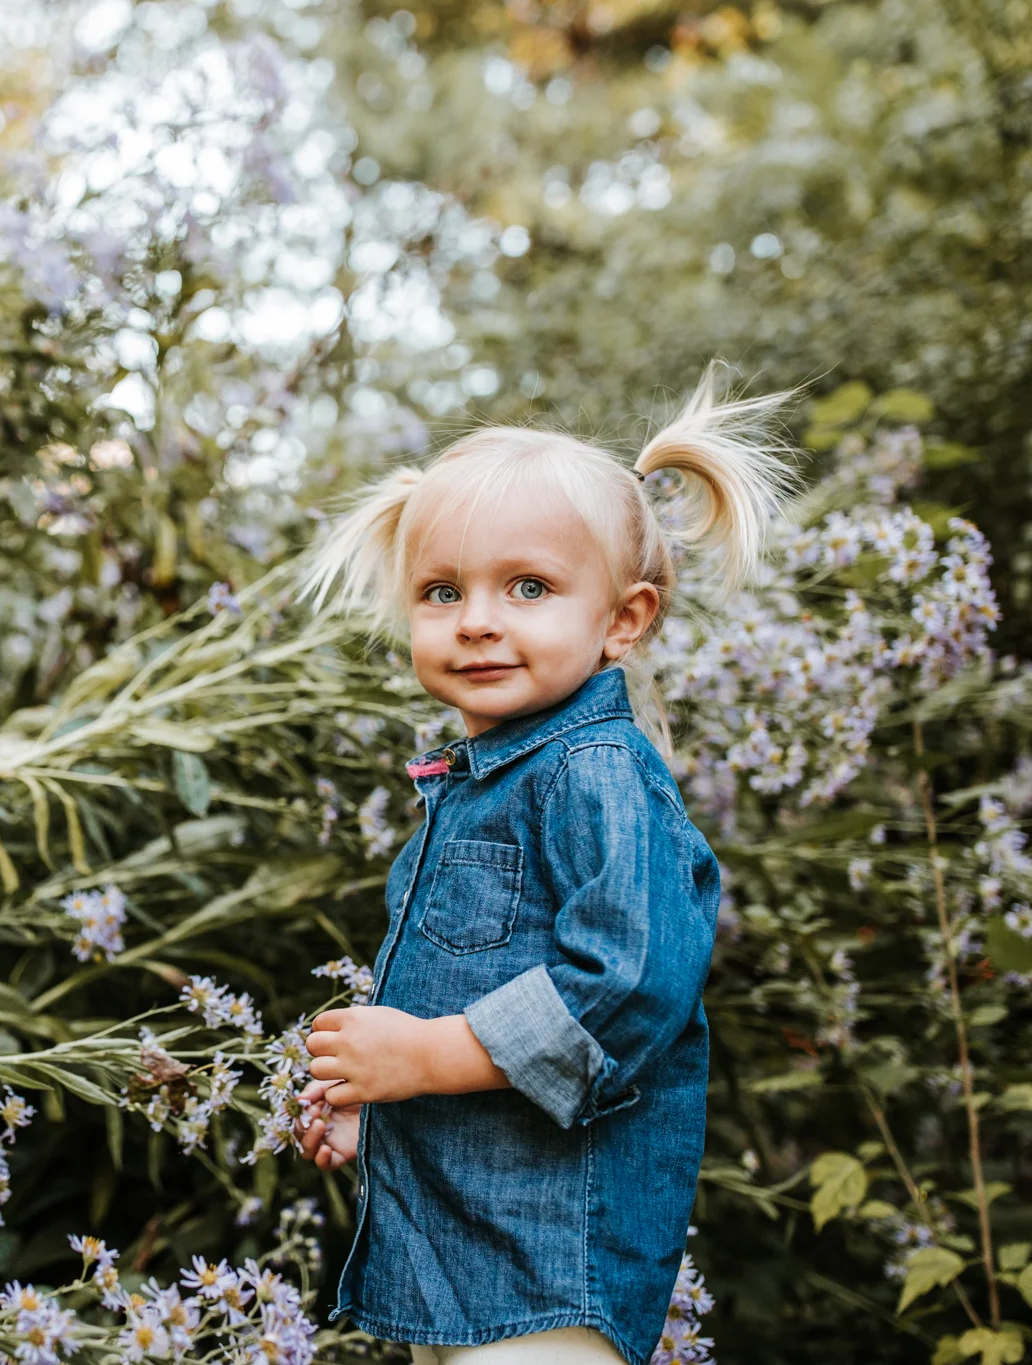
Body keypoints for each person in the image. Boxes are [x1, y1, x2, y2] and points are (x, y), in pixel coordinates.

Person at [289, 366, 798, 1365]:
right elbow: (464, 998)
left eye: (528, 587)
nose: (476, 619)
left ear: (623, 618)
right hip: (462, 1252)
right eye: (442, 591)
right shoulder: (479, 784)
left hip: (549, 1261)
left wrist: (425, 1056)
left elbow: (629, 985)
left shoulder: (592, 773)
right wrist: (382, 1108)